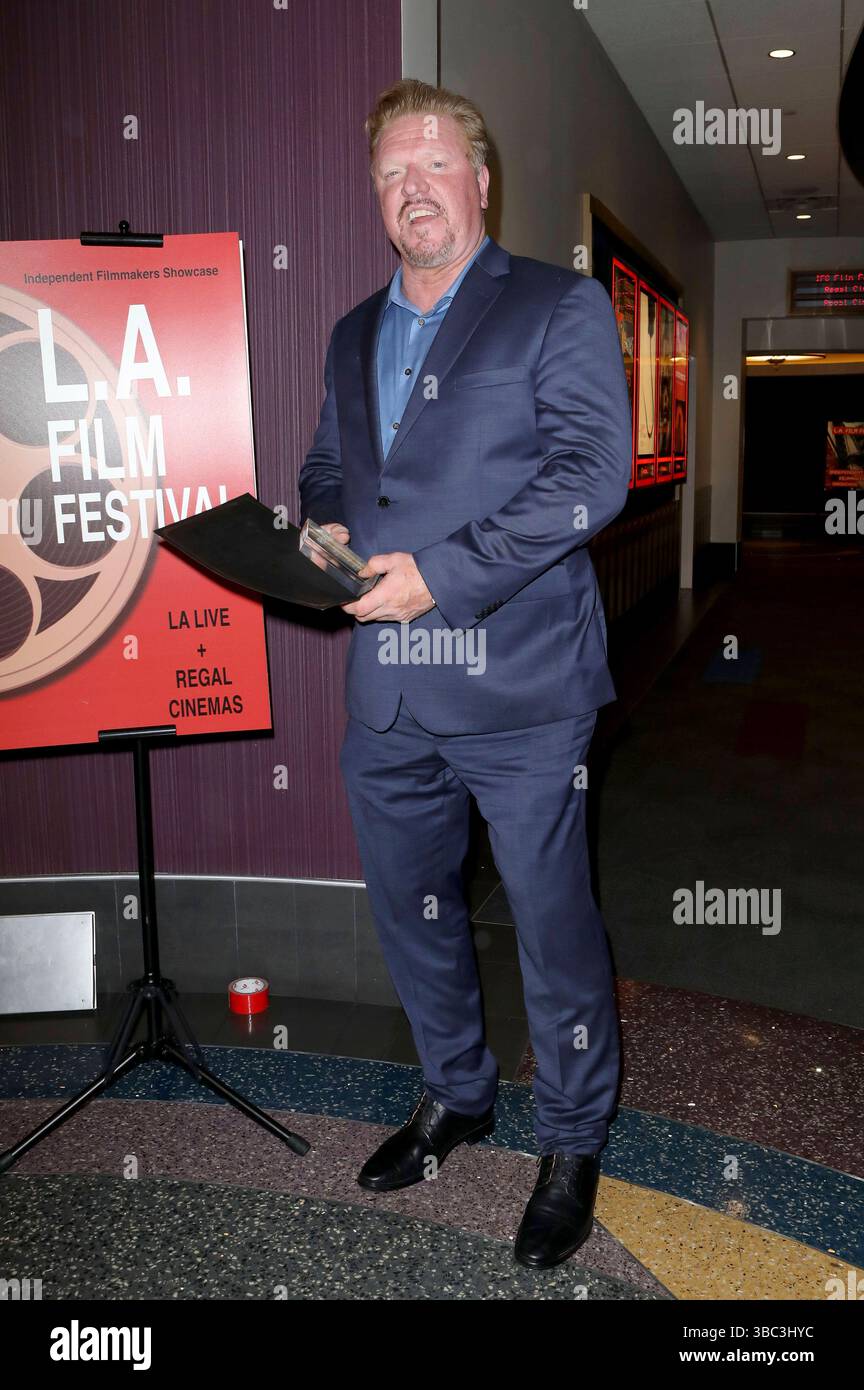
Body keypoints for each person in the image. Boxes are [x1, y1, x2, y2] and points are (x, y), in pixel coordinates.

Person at [298, 77, 632, 1269]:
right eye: (392, 171)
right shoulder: (352, 333)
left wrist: (439, 576)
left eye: (435, 163)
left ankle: (574, 1138)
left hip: (523, 689)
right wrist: (326, 531)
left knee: (551, 923)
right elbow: (328, 471)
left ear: (480, 181)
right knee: (413, 909)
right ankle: (458, 1092)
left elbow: (593, 476)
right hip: (388, 691)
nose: (414, 187)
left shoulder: (556, 303)